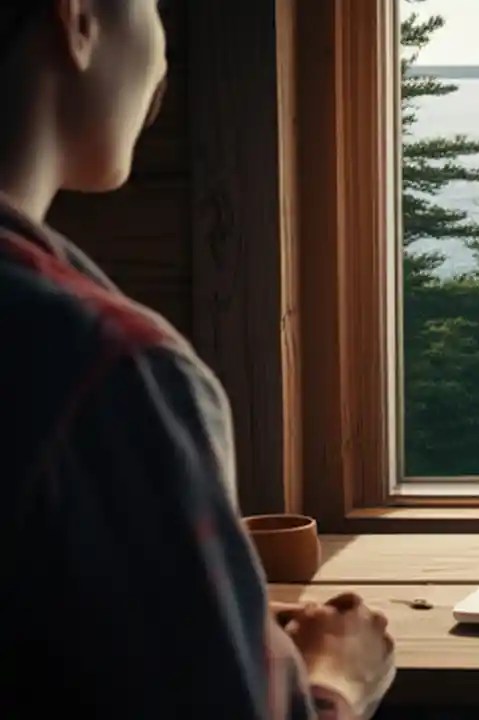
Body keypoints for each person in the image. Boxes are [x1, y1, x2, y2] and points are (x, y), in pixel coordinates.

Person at [0, 1, 396, 718]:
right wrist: (339, 677)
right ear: (77, 18)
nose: (161, 56)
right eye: (152, 6)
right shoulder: (108, 372)